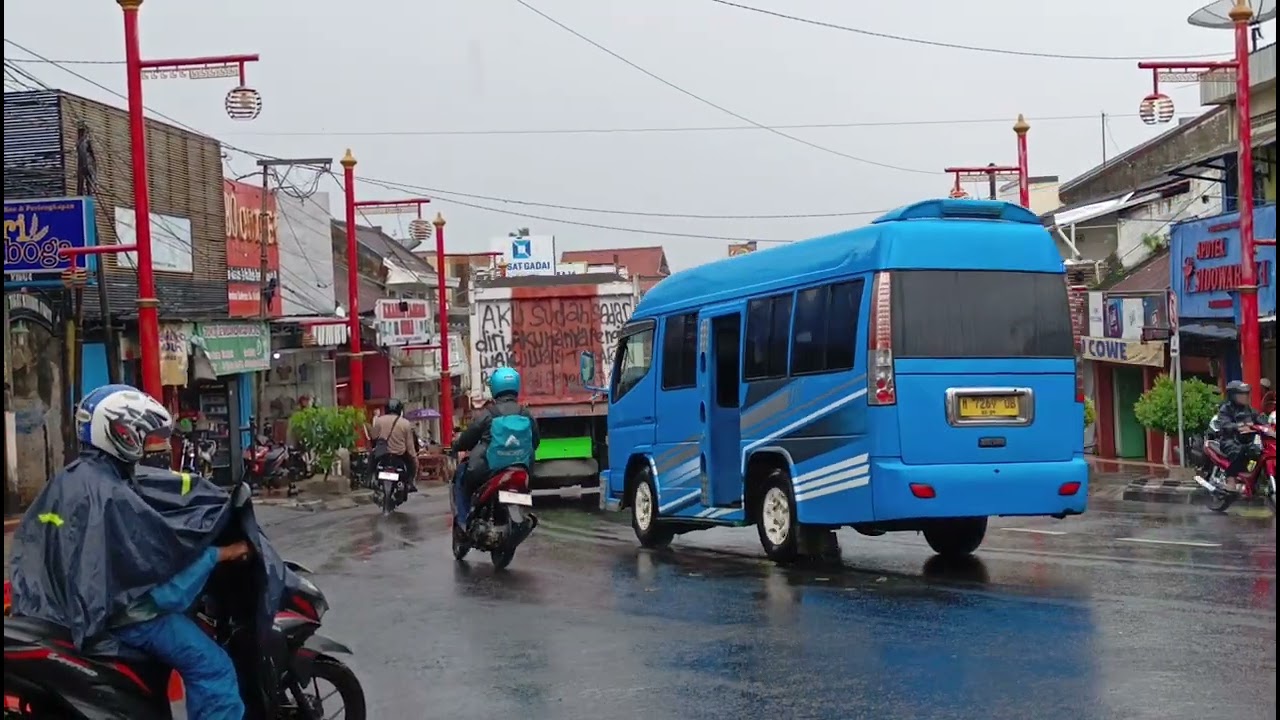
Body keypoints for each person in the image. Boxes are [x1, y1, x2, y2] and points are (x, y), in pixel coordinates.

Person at [9, 384, 249, 720]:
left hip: (62, 611)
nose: (151, 443)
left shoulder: (69, 479)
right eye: (143, 433)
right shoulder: (111, 494)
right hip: (124, 618)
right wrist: (219, 554)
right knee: (214, 668)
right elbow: (159, 590)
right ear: (122, 433)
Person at [451, 367, 540, 523]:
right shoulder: (526, 414)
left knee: (461, 477)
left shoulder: (489, 414)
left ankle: (463, 520)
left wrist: (457, 445)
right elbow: (536, 441)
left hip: (489, 469)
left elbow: (468, 438)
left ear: (495, 388)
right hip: (523, 468)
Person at [1206, 380, 1266, 490]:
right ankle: (1231, 480)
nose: (1245, 397)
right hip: (1230, 441)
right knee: (1238, 452)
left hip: (1247, 441)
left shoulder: (1250, 410)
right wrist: (1237, 427)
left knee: (1258, 453)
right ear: (1233, 396)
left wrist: (1269, 427)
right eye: (1242, 394)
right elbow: (1224, 424)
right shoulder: (1226, 409)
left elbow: (1261, 420)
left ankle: (1252, 479)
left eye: (1247, 394)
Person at [370, 398, 420, 491]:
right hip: (400, 455)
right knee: (412, 465)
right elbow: (409, 445)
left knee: (371, 461)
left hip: (382, 454)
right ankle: (410, 483)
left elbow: (373, 437)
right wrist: (414, 457)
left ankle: (371, 480)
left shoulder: (379, 421)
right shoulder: (405, 423)